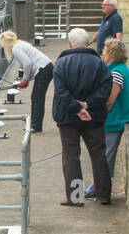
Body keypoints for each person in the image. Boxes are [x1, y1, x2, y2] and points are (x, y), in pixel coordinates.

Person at [52, 27, 114, 205]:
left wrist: (76, 108)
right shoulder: (99, 63)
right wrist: (88, 104)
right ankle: (103, 194)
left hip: (68, 117)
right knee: (98, 155)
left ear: (70, 43)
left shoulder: (61, 63)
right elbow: (106, 88)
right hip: (94, 116)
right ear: (88, 43)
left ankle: (76, 197)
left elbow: (61, 92)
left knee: (71, 156)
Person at [0, 31, 54, 133]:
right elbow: (29, 64)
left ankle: (36, 126)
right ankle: (36, 125)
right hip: (46, 68)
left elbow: (27, 64)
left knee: (37, 98)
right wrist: (27, 80)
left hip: (43, 69)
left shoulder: (16, 48)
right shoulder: (20, 45)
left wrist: (25, 79)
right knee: (37, 97)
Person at [101, 39, 129, 184]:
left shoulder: (116, 72)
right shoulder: (122, 68)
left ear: (111, 53)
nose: (102, 53)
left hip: (115, 119)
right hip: (118, 117)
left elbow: (110, 100)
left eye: (105, 51)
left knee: (106, 155)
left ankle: (99, 185)